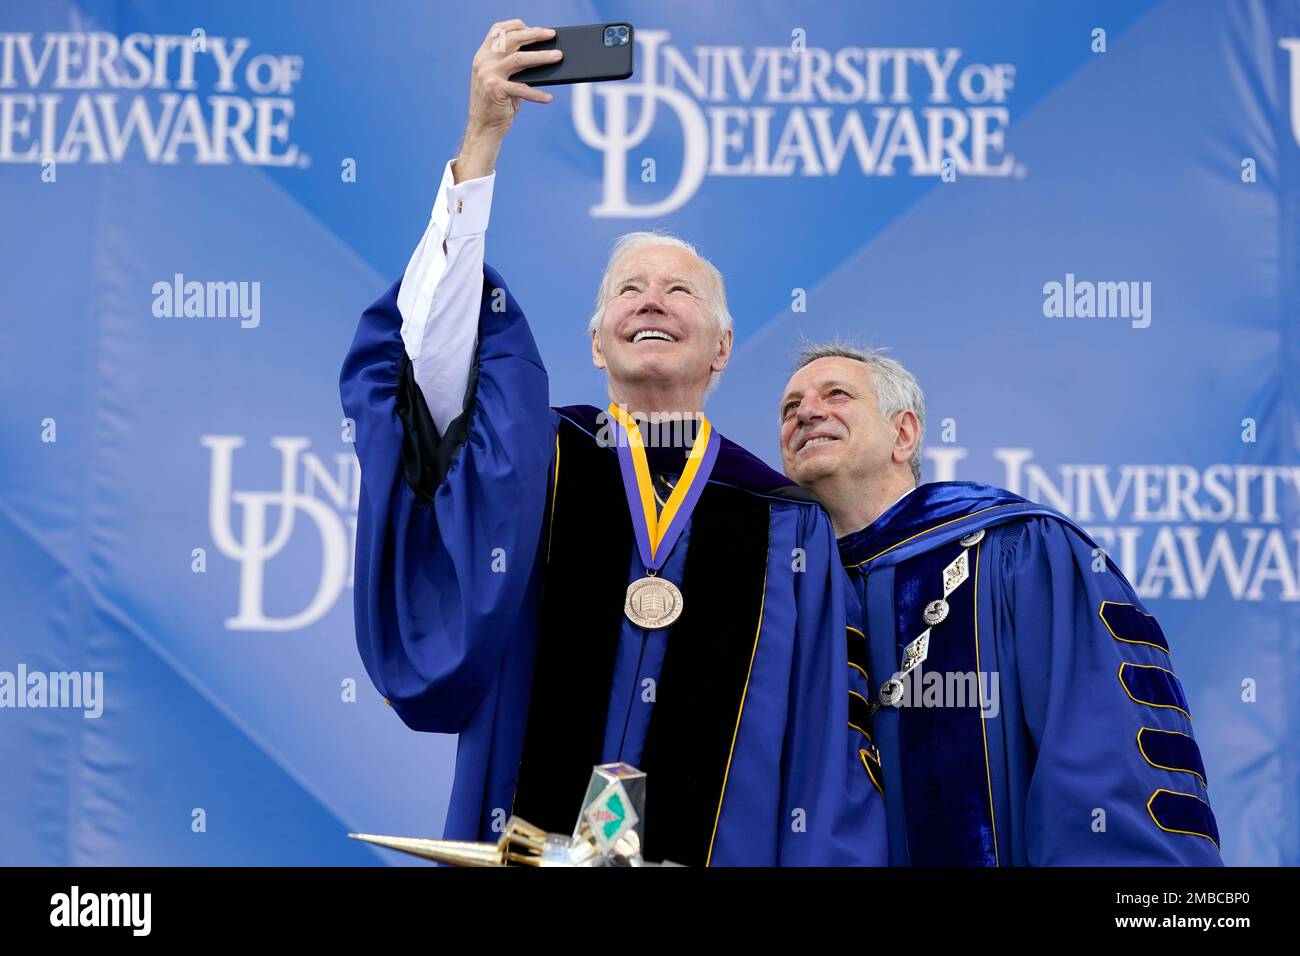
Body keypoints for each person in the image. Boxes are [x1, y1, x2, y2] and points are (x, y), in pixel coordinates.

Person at [339, 20, 885, 866]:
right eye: (629, 289)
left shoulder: (784, 521)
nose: (653, 301)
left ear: (722, 347)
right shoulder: (531, 462)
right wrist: (482, 137)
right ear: (597, 341)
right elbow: (435, 350)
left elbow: (820, 755)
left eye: (680, 291)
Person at [778, 342, 1223, 866]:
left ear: (903, 434)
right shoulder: (785, 589)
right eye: (790, 408)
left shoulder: (1020, 550)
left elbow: (1105, 758)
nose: (807, 412)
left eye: (837, 395)